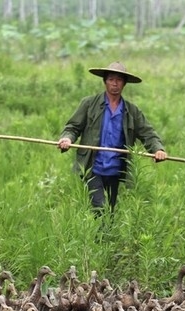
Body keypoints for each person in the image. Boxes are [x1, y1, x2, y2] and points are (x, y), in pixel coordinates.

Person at [57, 61, 167, 214]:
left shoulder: (131, 111)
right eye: (111, 79)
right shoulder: (89, 104)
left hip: (115, 169)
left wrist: (158, 149)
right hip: (92, 167)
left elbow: (148, 133)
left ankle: (104, 231)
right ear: (105, 81)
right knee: (101, 207)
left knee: (110, 211)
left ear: (124, 84)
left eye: (119, 80)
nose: (115, 83)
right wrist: (67, 139)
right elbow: (73, 127)